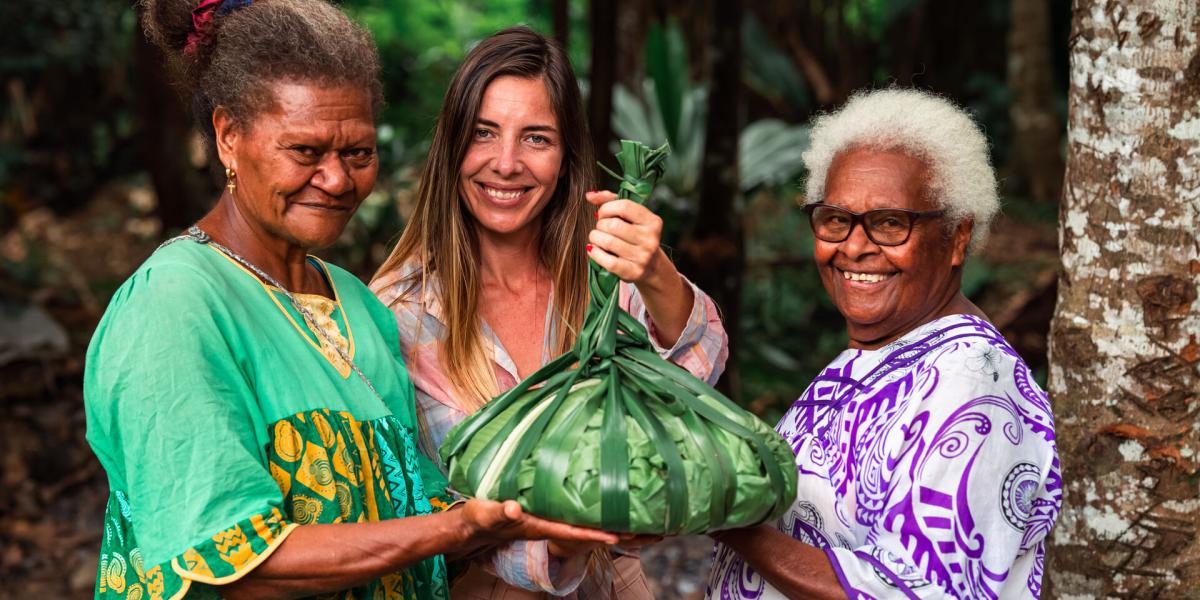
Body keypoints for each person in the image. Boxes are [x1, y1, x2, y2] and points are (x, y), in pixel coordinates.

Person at [84, 3, 616, 599]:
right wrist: (454, 526)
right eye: (305, 152)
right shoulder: (175, 305)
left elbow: (410, 520)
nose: (337, 180)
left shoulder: (359, 307)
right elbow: (239, 565)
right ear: (229, 136)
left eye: (357, 154)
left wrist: (541, 523)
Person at [370, 26, 729, 599]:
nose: (506, 164)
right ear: (452, 147)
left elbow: (693, 379)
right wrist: (561, 539)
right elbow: (426, 515)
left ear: (565, 159)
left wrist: (655, 271)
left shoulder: (602, 275)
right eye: (484, 134)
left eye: (536, 138)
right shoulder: (401, 311)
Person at [704, 89, 1062, 599]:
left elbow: (910, 591)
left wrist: (729, 524)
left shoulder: (973, 386)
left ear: (958, 237)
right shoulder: (875, 356)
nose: (853, 246)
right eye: (835, 219)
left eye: (890, 223)